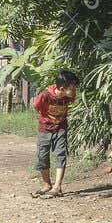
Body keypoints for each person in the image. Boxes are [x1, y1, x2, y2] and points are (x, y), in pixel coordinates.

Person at [32, 69, 80, 198]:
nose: (75, 91)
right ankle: (47, 184)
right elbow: (36, 106)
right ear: (62, 89)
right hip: (44, 129)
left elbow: (72, 100)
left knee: (61, 154)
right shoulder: (45, 95)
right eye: (72, 88)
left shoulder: (68, 96)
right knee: (42, 156)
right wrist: (46, 118)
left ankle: (57, 186)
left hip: (61, 128)